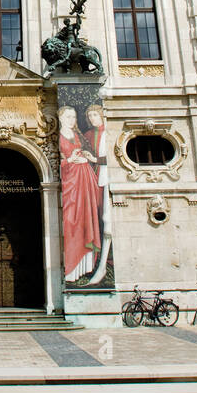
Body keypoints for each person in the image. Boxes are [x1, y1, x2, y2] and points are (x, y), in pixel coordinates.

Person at [59, 106, 102, 283]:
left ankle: (85, 268)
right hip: (69, 182)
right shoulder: (59, 136)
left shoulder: (78, 136)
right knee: (70, 222)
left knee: (86, 218)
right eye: (68, 117)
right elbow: (59, 161)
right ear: (60, 118)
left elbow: (90, 154)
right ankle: (70, 270)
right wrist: (69, 160)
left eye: (74, 117)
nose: (71, 120)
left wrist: (85, 157)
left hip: (83, 179)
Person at [83, 105, 112, 285]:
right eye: (90, 115)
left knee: (105, 219)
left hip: (104, 179)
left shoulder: (108, 132)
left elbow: (114, 157)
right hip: (93, 180)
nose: (93, 118)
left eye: (95, 114)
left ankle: (104, 265)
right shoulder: (87, 135)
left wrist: (95, 159)